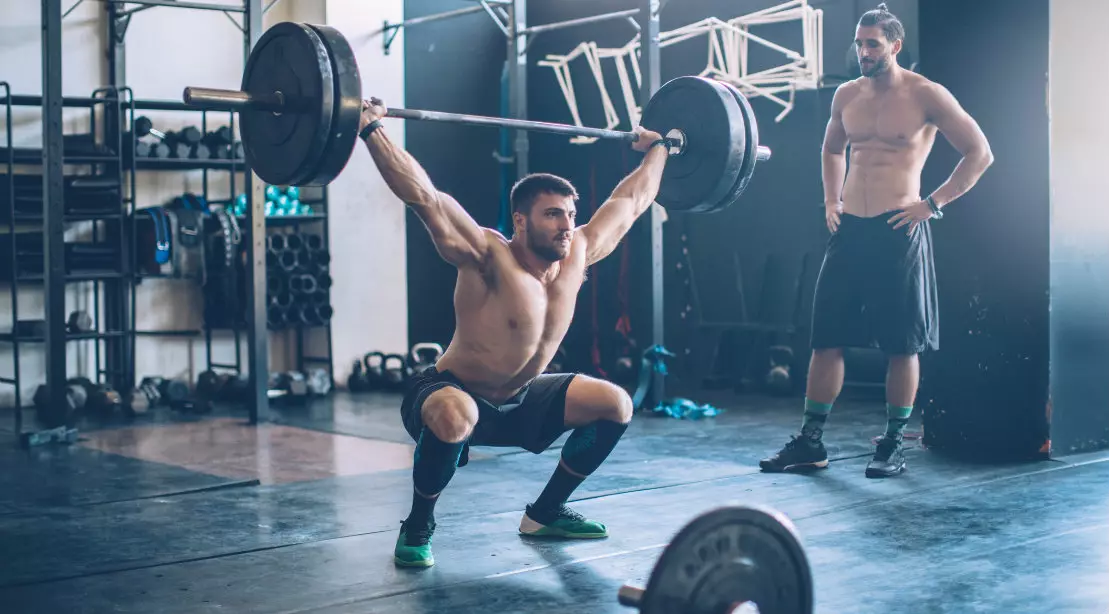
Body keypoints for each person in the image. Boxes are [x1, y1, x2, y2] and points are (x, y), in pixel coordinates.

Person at [357, 97, 670, 567]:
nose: (566, 225)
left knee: (615, 404)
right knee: (456, 414)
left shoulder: (578, 253)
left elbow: (631, 201)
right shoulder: (487, 256)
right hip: (450, 392)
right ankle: (418, 523)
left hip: (521, 399)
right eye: (552, 215)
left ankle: (544, 514)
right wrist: (370, 131)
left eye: (569, 214)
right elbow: (425, 197)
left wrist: (661, 147)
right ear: (520, 220)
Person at [759, 3, 994, 478]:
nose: (863, 52)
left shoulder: (926, 94)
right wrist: (831, 200)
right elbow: (831, 148)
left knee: (901, 345)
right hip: (850, 230)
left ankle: (891, 444)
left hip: (898, 227)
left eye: (873, 44)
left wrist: (933, 203)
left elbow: (979, 153)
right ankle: (810, 442)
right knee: (826, 339)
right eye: (859, 43)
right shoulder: (846, 94)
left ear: (895, 45)